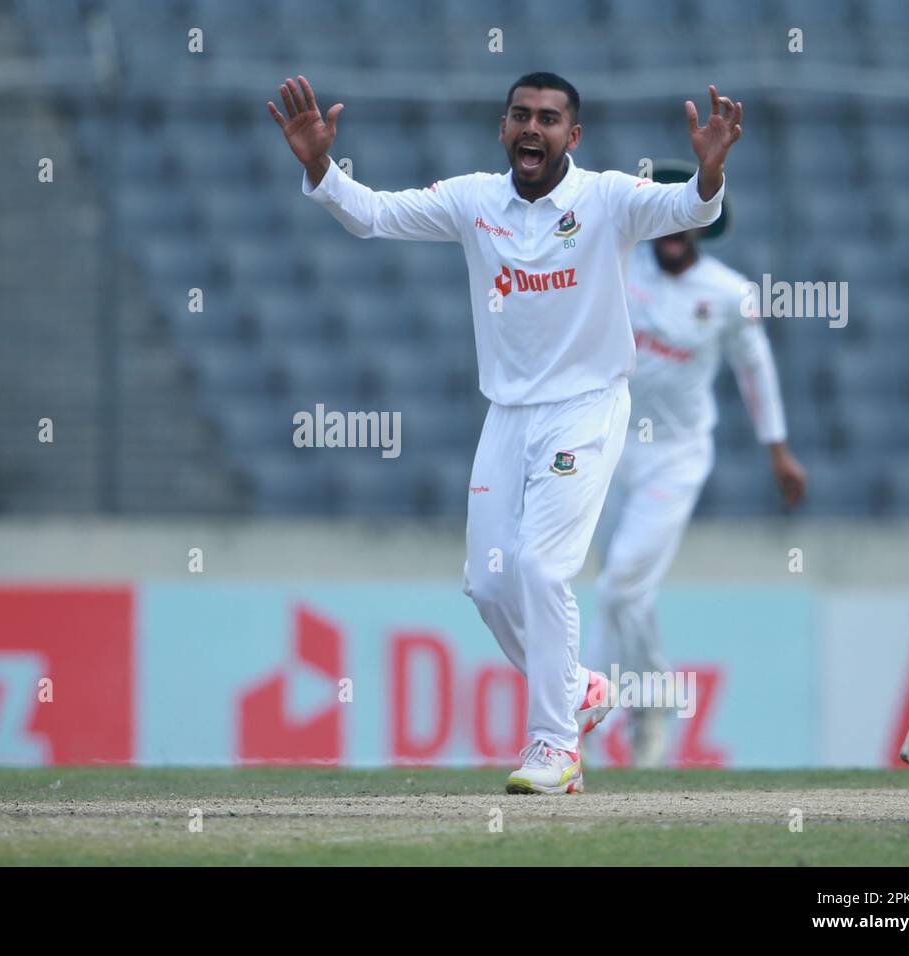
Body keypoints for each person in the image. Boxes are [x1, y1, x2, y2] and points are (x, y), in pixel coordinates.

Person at [268, 71, 742, 794]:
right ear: (502, 128)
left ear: (571, 137)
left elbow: (686, 207)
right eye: (521, 115)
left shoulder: (607, 198)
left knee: (541, 569)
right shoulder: (472, 201)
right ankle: (580, 688)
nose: (533, 128)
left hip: (586, 405)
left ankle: (555, 747)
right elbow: (372, 215)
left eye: (550, 119)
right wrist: (320, 168)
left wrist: (709, 171)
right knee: (489, 585)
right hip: (508, 414)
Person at [591, 159, 806, 767]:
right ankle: (650, 699)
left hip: (676, 458)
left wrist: (778, 451)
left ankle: (624, 703)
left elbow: (755, 368)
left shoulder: (729, 293)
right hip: (609, 446)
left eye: (687, 226)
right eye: (666, 223)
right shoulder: (619, 267)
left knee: (619, 585)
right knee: (624, 595)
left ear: (702, 230)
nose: (675, 237)